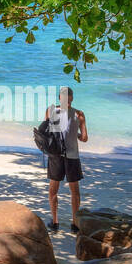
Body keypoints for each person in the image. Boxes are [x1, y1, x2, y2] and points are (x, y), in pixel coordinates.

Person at [44, 87, 87, 233]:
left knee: (53, 190)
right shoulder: (79, 114)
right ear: (72, 98)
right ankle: (75, 224)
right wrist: (75, 134)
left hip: (56, 155)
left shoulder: (51, 111)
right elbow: (85, 138)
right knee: (75, 191)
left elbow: (45, 131)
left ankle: (55, 222)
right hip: (72, 156)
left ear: (59, 98)